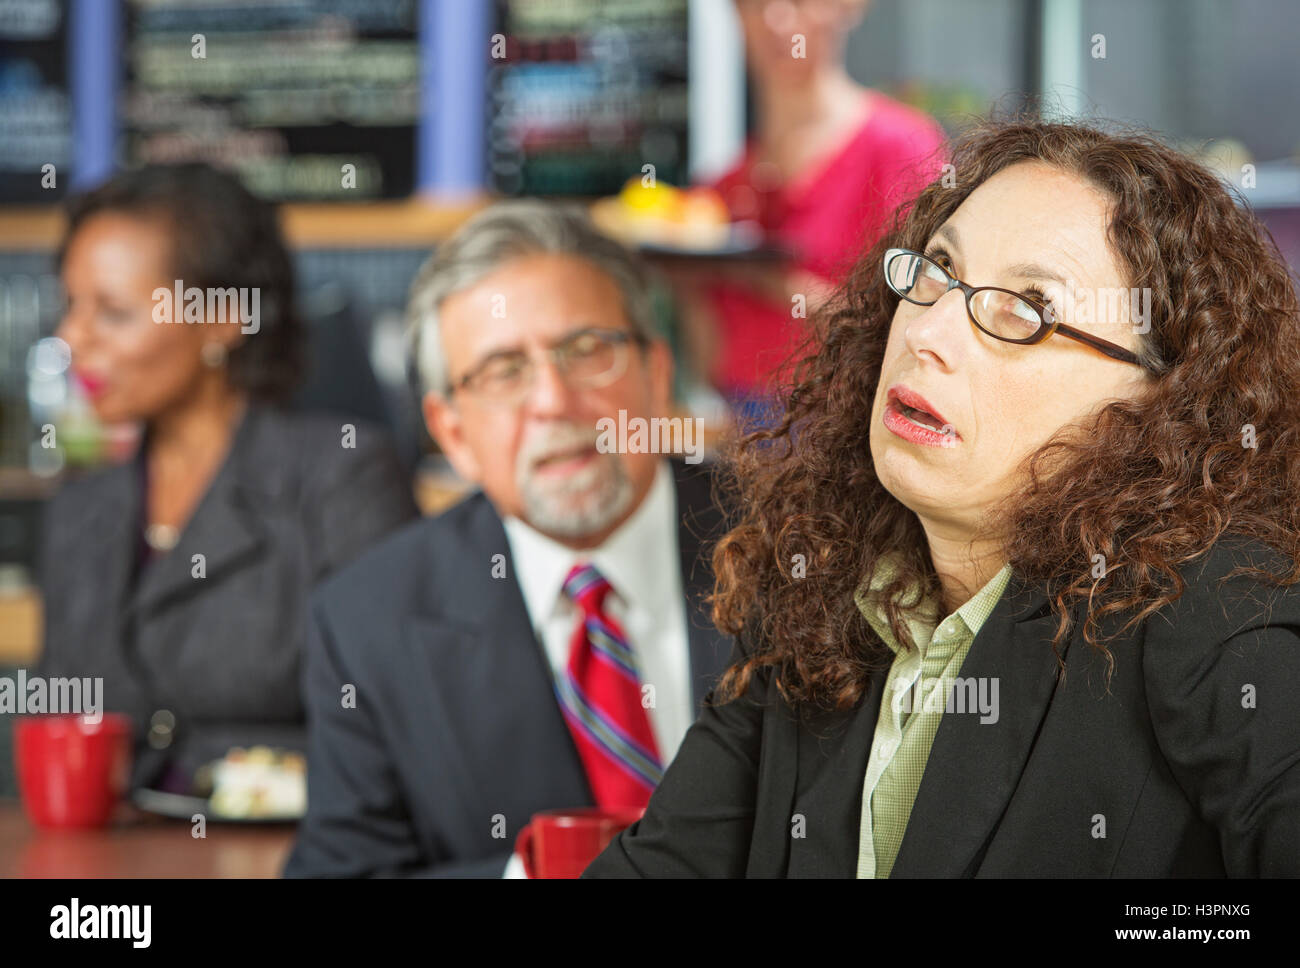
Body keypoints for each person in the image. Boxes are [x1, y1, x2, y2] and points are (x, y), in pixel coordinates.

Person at [585, 119, 1300, 877]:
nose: (930, 332)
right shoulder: (816, 587)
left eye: (1024, 311)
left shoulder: (1219, 612)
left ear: (1166, 402)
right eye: (937, 272)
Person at [284, 201, 733, 877]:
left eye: (587, 350)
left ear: (658, 374)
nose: (553, 400)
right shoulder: (366, 624)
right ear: (453, 433)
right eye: (503, 372)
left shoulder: (805, 551)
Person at [38, 164, 417, 793]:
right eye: (71, 305)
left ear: (222, 320)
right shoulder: (82, 507)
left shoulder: (342, 479)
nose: (71, 337)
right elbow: (55, 722)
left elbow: (394, 726)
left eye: (113, 311)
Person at [677, 0, 946, 405]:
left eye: (800, 2)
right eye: (754, 5)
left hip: (848, 426)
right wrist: (686, 284)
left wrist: (774, 284)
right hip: (743, 430)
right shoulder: (720, 190)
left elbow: (922, 313)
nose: (777, 20)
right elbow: (709, 365)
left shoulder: (903, 148)